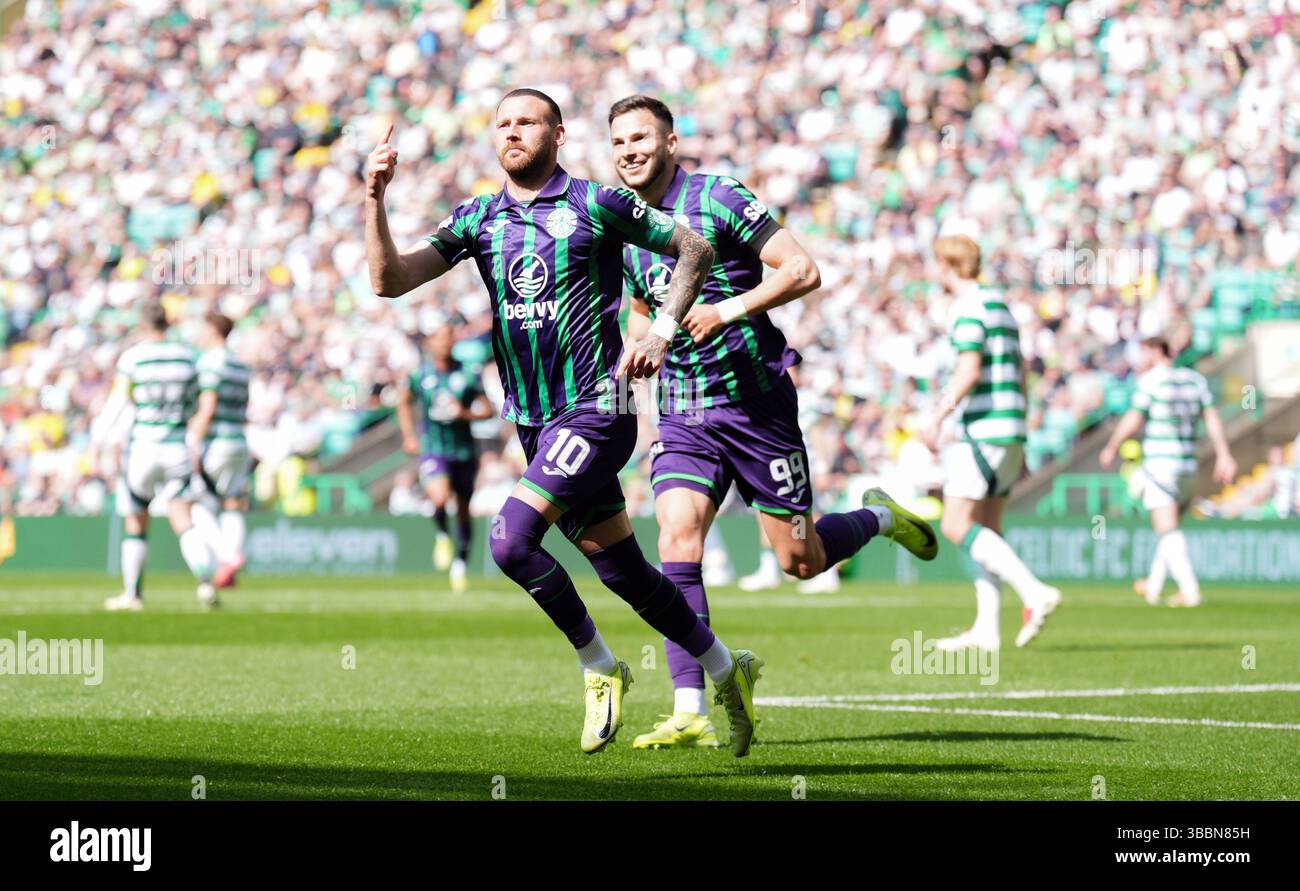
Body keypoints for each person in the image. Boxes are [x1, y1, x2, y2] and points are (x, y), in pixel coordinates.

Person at [364, 89, 762, 756]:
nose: (513, 132)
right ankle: (727, 668)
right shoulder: (479, 219)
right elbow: (390, 279)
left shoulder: (597, 205)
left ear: (558, 134)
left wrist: (661, 330)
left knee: (510, 540)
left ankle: (599, 664)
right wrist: (373, 199)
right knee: (625, 572)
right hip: (535, 423)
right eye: (503, 123)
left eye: (528, 121)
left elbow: (694, 250)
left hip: (597, 408)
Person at [609, 95, 937, 749]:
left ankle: (876, 516)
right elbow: (641, 306)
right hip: (685, 412)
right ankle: (689, 705)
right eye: (618, 141)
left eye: (641, 137)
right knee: (677, 537)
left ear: (671, 142)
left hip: (758, 409)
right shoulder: (622, 223)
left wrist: (727, 311)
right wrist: (638, 344)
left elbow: (804, 269)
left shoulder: (721, 196)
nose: (629, 151)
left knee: (801, 560)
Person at [920, 234, 1061, 651]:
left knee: (956, 523)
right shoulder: (1001, 305)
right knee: (988, 529)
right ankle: (987, 629)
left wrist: (937, 416)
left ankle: (1034, 591)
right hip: (1011, 424)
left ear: (947, 265)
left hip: (983, 426)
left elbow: (968, 370)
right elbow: (1020, 373)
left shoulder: (968, 307)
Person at [90, 302, 222, 610]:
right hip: (177, 447)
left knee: (136, 521)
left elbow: (118, 401)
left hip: (143, 449)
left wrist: (97, 441)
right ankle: (205, 580)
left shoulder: (133, 357)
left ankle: (132, 594)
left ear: (143, 325)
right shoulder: (188, 357)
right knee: (183, 519)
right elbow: (195, 404)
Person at [1100, 337, 1236, 607]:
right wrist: (1223, 454)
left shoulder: (1151, 381)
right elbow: (1210, 417)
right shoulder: (1194, 380)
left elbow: (1134, 417)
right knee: (1170, 527)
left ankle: (1190, 590)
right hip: (1187, 462)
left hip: (1161, 463)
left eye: (1142, 353)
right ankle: (1154, 586)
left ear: (1152, 351)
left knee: (1166, 528)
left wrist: (1111, 445)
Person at [396, 325, 495, 592]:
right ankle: (442, 535)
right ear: (430, 343)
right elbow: (403, 401)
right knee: (439, 497)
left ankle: (460, 565)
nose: (444, 343)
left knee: (464, 511)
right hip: (433, 447)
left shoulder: (467, 373)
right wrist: (409, 436)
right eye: (439, 338)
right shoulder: (421, 374)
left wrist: (466, 414)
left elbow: (489, 410)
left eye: (449, 338)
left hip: (463, 450)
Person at [188, 312, 254, 590]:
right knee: (232, 502)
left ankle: (228, 557)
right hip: (239, 439)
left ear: (213, 331)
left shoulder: (211, 362)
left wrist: (193, 441)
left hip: (216, 441)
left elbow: (208, 407)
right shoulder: (239, 364)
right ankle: (229, 568)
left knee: (195, 505)